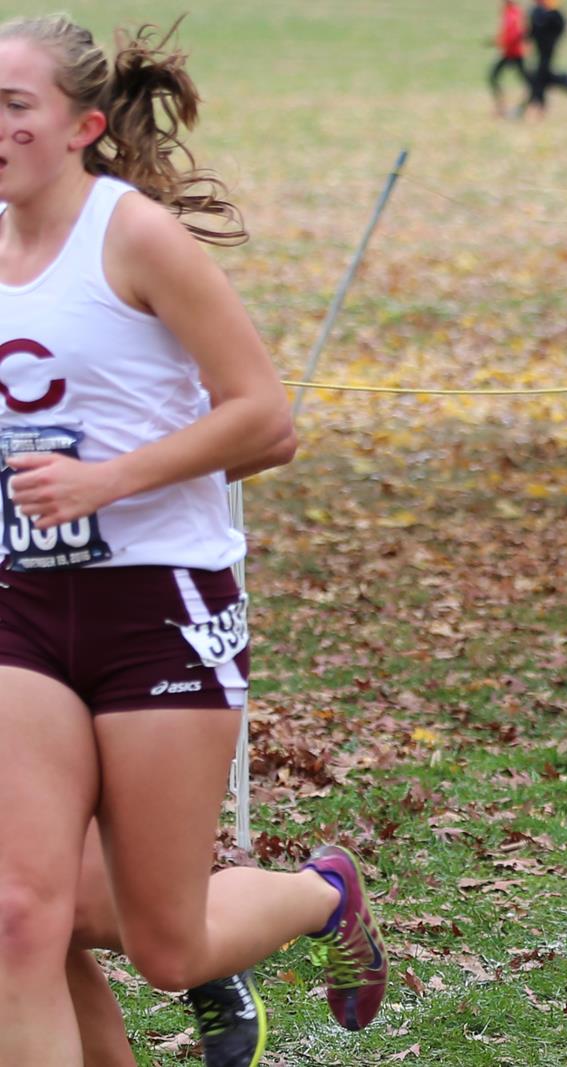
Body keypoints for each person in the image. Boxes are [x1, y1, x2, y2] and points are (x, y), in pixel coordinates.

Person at [0, 15, 389, 1065]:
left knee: (167, 946)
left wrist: (105, 480)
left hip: (158, 603)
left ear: (82, 127)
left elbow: (266, 420)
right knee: (22, 915)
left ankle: (322, 894)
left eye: (14, 105)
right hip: (22, 606)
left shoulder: (133, 237)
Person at [524, 0, 567, 115]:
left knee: (539, 80)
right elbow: (532, 31)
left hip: (548, 52)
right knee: (542, 79)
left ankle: (530, 108)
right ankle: (538, 107)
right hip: (541, 52)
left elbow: (560, 27)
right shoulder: (536, 12)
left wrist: (552, 40)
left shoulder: (553, 13)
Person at [488, 0, 530, 118]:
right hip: (510, 52)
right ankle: (502, 107)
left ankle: (518, 108)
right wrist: (498, 41)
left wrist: (501, 42)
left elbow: (515, 34)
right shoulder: (509, 12)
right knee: (494, 77)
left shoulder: (512, 14)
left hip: (515, 53)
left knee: (494, 77)